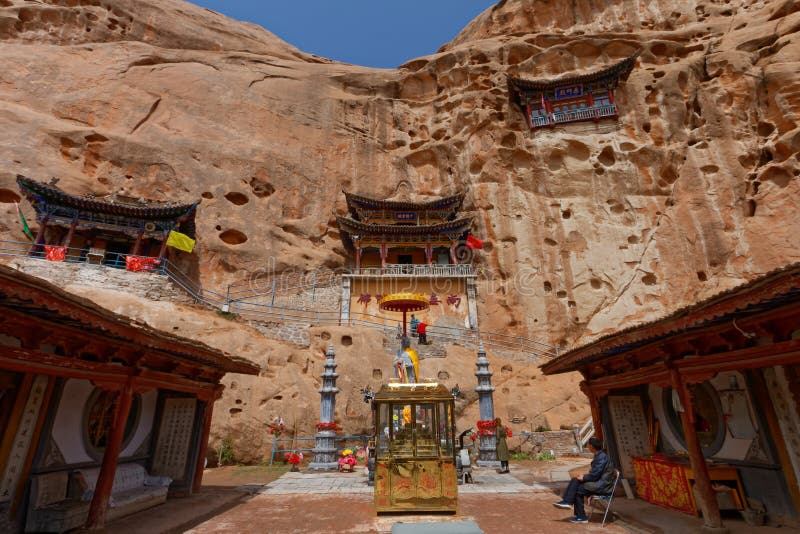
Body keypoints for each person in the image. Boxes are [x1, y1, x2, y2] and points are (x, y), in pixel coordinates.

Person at [553, 437, 615, 524]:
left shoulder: (601, 457)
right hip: (598, 483)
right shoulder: (599, 455)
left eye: (589, 445)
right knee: (575, 480)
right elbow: (595, 474)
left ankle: (579, 514)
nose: (588, 447)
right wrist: (583, 477)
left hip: (602, 486)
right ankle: (568, 502)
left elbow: (595, 475)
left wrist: (584, 477)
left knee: (578, 489)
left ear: (592, 446)